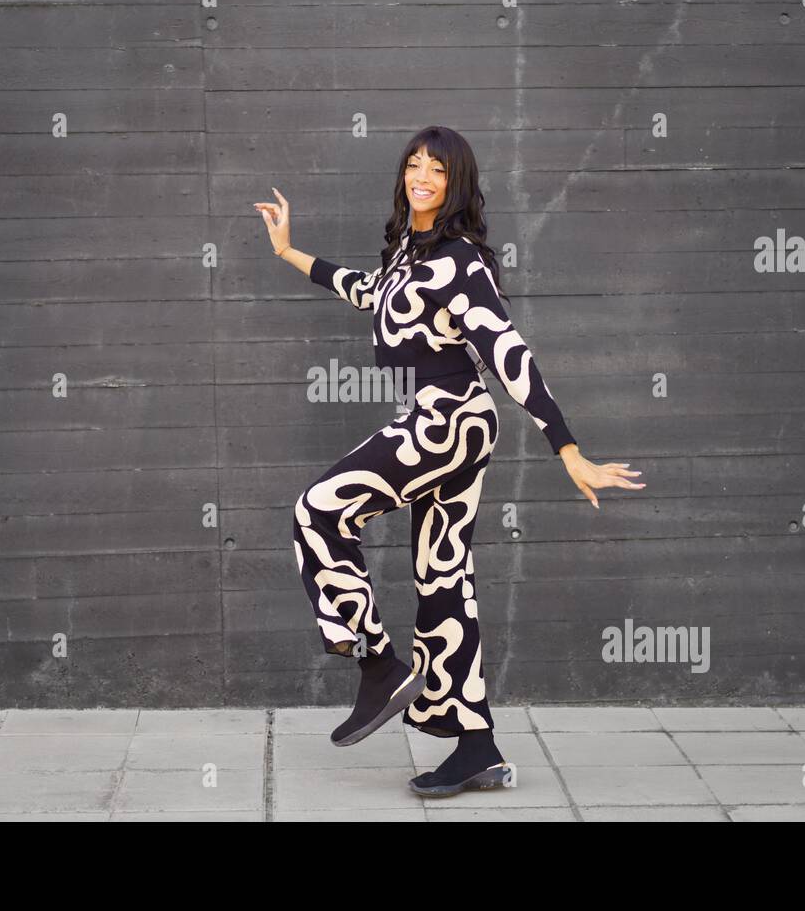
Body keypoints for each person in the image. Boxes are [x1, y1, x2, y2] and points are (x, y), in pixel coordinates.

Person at [254, 126, 644, 798]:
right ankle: (478, 750)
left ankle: (378, 663)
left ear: (456, 181)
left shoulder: (461, 259)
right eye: (413, 164)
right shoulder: (412, 252)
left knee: (317, 509)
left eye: (436, 167)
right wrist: (290, 253)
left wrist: (567, 447)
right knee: (443, 582)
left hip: (448, 418)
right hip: (445, 419)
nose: (422, 174)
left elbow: (506, 350)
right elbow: (367, 290)